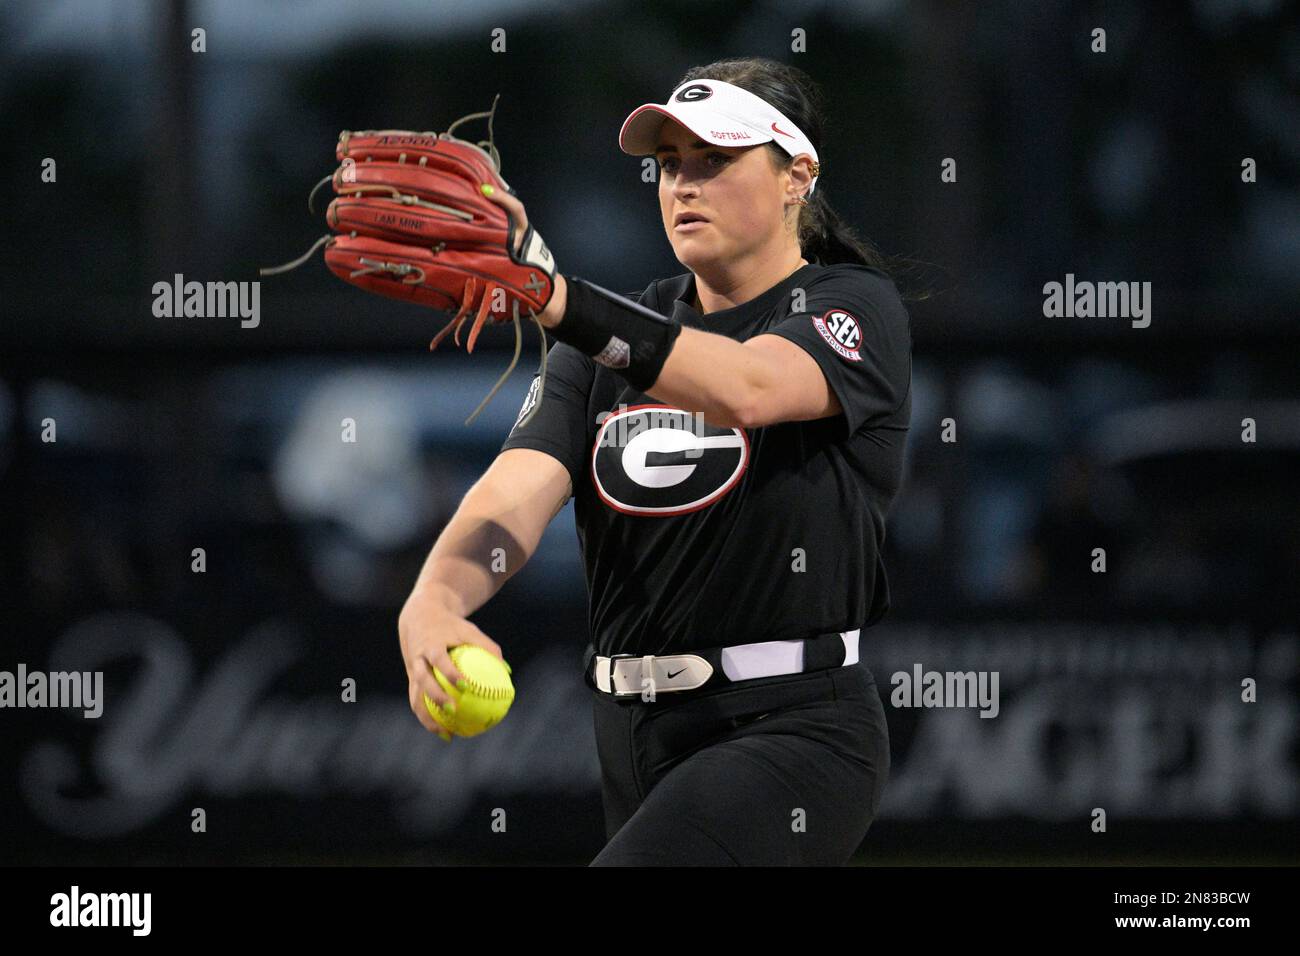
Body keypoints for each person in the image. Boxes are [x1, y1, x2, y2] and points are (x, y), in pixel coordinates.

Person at [397, 57, 912, 865]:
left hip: (792, 727)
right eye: (668, 164)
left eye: (714, 160)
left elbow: (745, 388)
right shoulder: (605, 341)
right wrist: (436, 598)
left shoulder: (851, 306)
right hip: (632, 735)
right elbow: (517, 492)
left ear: (796, 175)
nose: (683, 184)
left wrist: (558, 300)